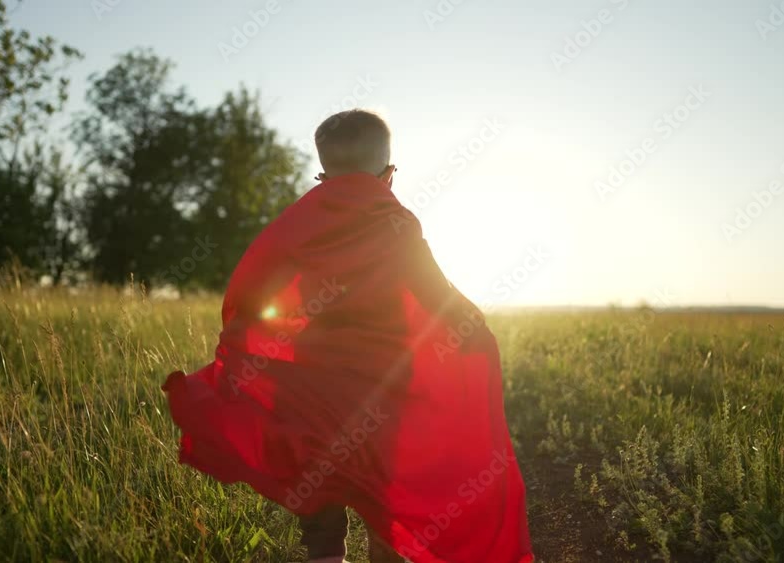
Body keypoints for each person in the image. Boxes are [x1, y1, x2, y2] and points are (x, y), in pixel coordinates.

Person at [162, 109, 533, 563]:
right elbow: (437, 297)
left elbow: (257, 288)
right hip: (384, 393)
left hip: (307, 390)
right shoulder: (397, 225)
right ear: (390, 175)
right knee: (386, 500)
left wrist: (249, 345)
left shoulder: (298, 223)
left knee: (318, 495)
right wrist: (476, 334)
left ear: (321, 176)